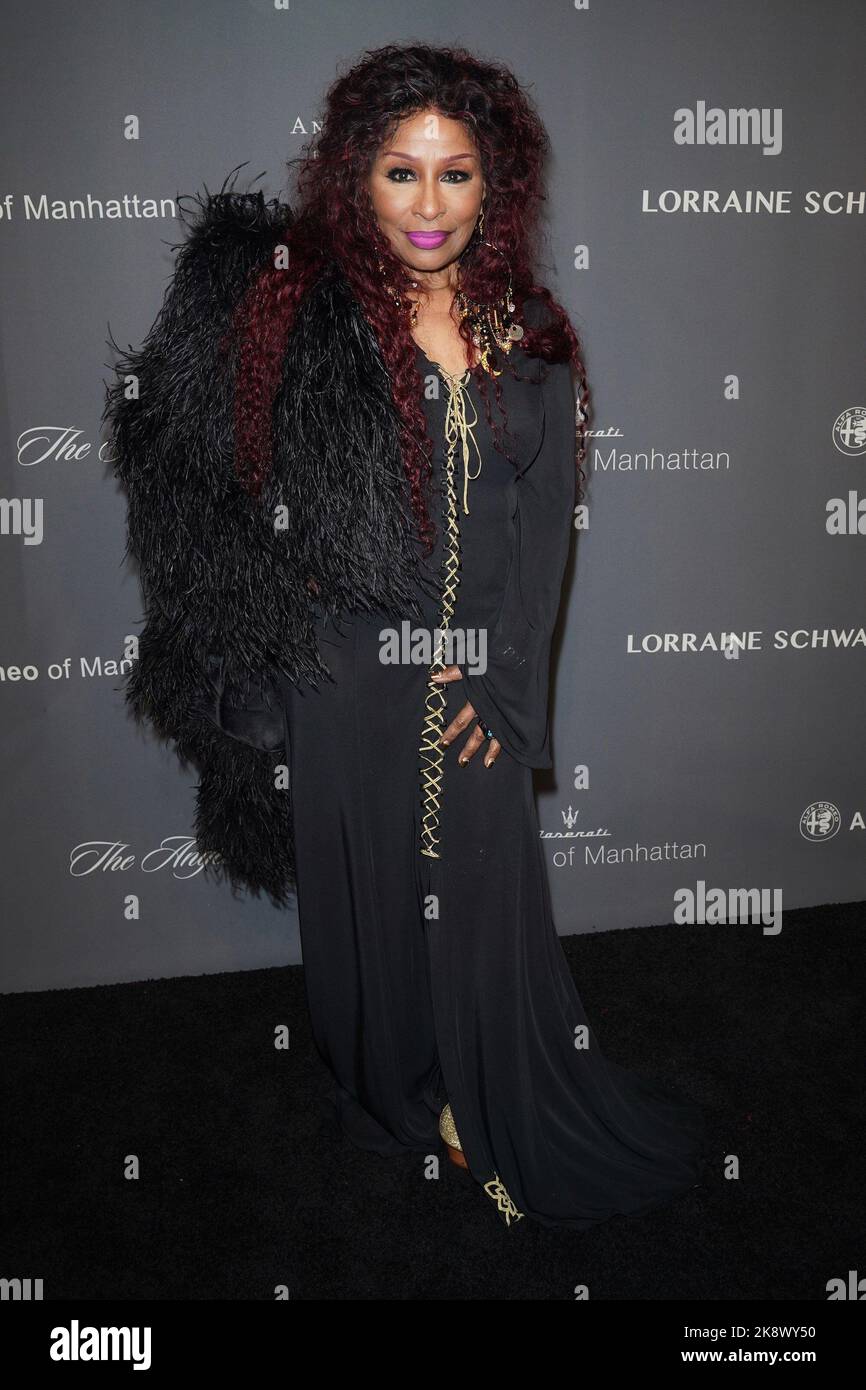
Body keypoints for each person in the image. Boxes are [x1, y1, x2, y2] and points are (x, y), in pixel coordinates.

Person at [105, 42, 708, 1231]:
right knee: (361, 894)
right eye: (399, 172)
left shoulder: (532, 336)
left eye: (455, 174)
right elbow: (222, 497)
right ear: (355, 178)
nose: (427, 205)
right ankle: (387, 1087)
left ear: (496, 187)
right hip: (338, 677)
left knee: (478, 896)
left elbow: (542, 547)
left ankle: (486, 1091)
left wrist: (507, 693)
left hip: (467, 681)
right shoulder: (294, 319)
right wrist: (270, 645)